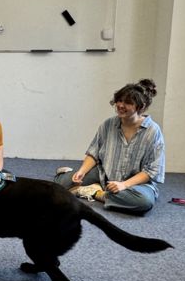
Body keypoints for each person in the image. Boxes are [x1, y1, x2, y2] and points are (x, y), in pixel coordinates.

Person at [53, 78, 165, 215]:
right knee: (59, 186)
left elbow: (152, 171)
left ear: (140, 107)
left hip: (136, 185)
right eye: (119, 100)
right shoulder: (108, 124)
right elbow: (94, 152)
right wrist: (82, 171)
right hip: (103, 174)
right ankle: (70, 175)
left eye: (128, 103)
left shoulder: (153, 131)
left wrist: (123, 185)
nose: (121, 105)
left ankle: (96, 193)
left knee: (143, 202)